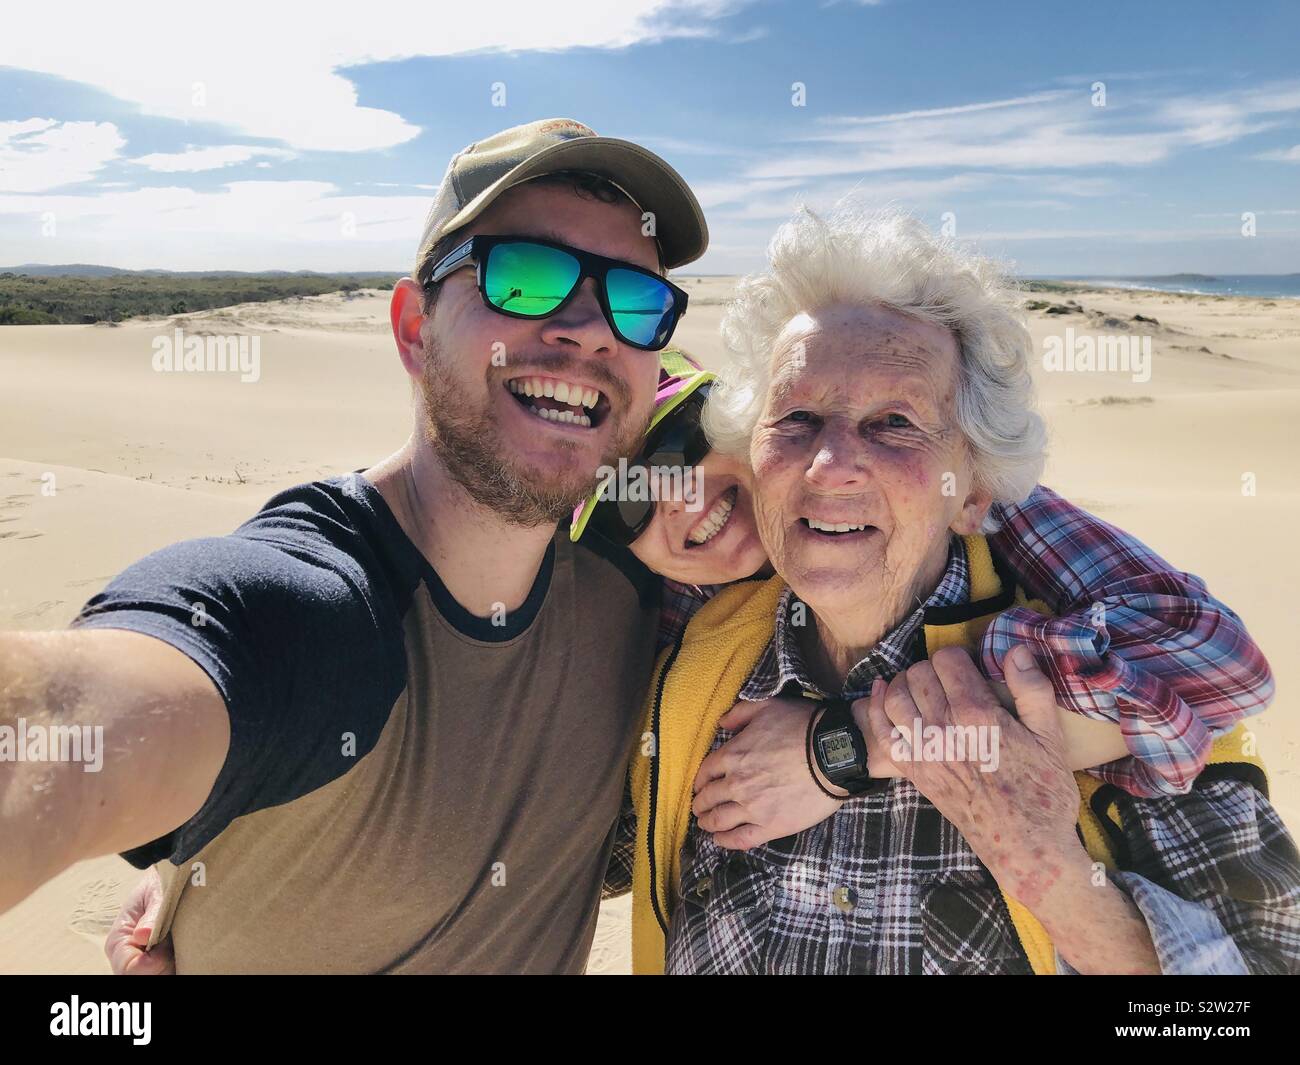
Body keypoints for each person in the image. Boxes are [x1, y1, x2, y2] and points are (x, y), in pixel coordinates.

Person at [1, 117, 709, 973]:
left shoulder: (640, 582)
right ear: (414, 330)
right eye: (526, 277)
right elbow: (67, 717)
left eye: (638, 303)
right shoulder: (316, 614)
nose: (592, 330)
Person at [625, 203, 1299, 974]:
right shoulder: (686, 679)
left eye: (894, 423)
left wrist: (1058, 885)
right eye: (798, 419)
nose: (828, 465)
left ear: (976, 493)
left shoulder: (1116, 712)